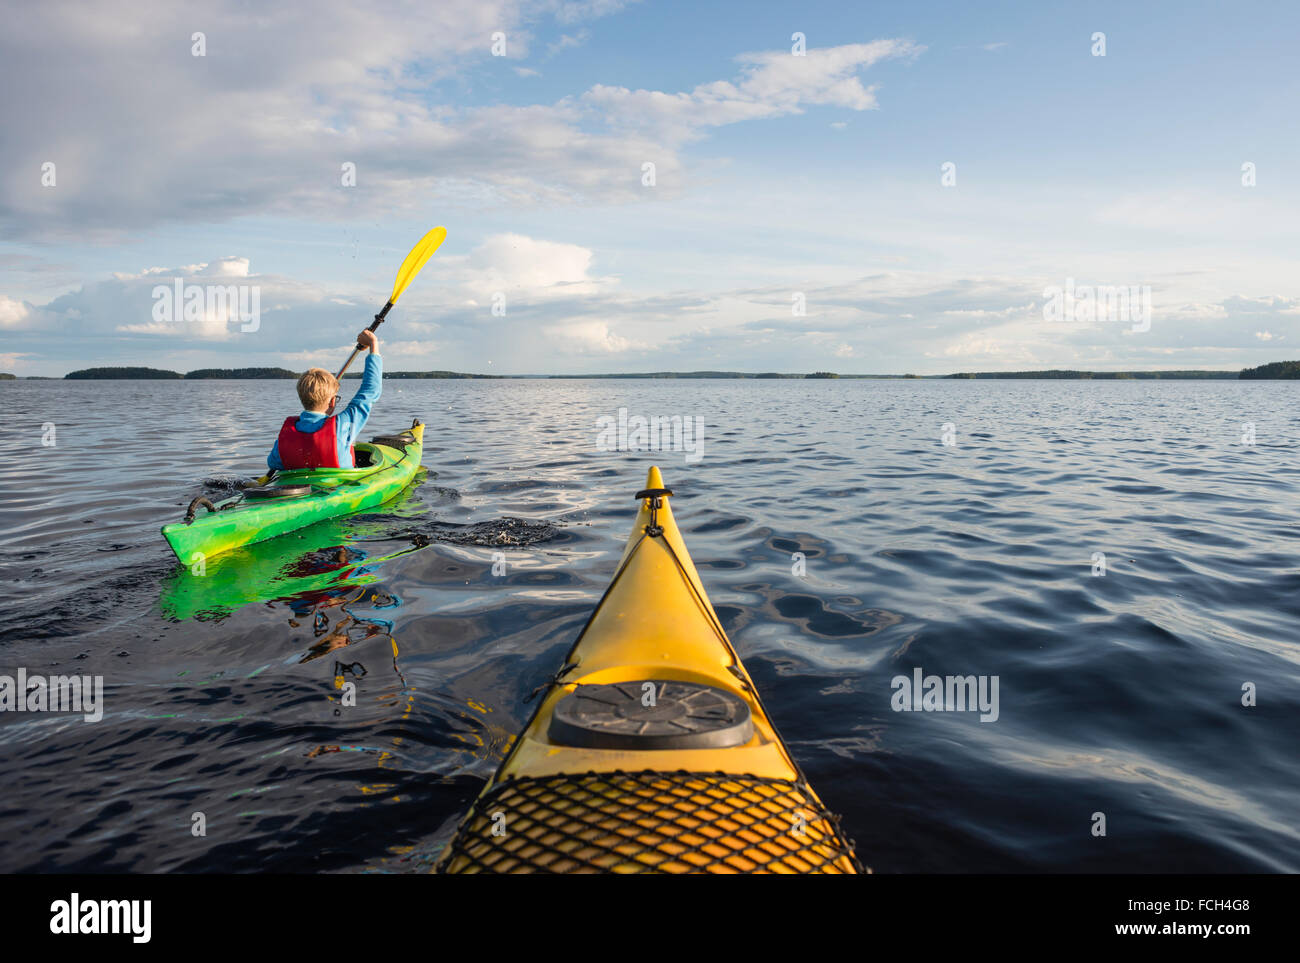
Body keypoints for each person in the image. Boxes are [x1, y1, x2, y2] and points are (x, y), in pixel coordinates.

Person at [268, 329, 381, 470]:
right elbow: (370, 390)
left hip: (295, 487)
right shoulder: (342, 425)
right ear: (332, 401)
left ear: (302, 398)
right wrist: (373, 344)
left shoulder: (287, 434)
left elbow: (273, 464)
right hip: (339, 486)